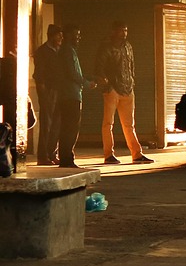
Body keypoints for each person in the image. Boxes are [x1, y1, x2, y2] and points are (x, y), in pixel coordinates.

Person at [96, 20, 152, 164]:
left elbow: (131, 66)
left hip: (128, 88)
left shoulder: (128, 46)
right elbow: (99, 67)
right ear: (113, 31)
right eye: (121, 30)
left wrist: (132, 81)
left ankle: (136, 153)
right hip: (113, 88)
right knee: (108, 123)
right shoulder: (106, 47)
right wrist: (106, 84)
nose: (124, 33)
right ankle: (108, 154)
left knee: (129, 124)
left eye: (125, 30)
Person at [57, 25, 95, 168]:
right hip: (70, 95)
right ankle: (67, 158)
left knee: (68, 127)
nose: (78, 38)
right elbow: (72, 73)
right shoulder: (67, 52)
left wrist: (90, 78)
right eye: (75, 35)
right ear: (67, 36)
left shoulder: (69, 51)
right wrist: (86, 83)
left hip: (71, 93)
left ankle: (66, 157)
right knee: (70, 128)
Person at [33, 24, 63, 165]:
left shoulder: (59, 51)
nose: (61, 38)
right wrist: (43, 91)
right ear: (51, 35)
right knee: (47, 123)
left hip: (59, 89)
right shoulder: (42, 52)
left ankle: (52, 153)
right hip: (48, 90)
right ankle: (43, 156)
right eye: (58, 35)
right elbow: (39, 73)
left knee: (57, 123)